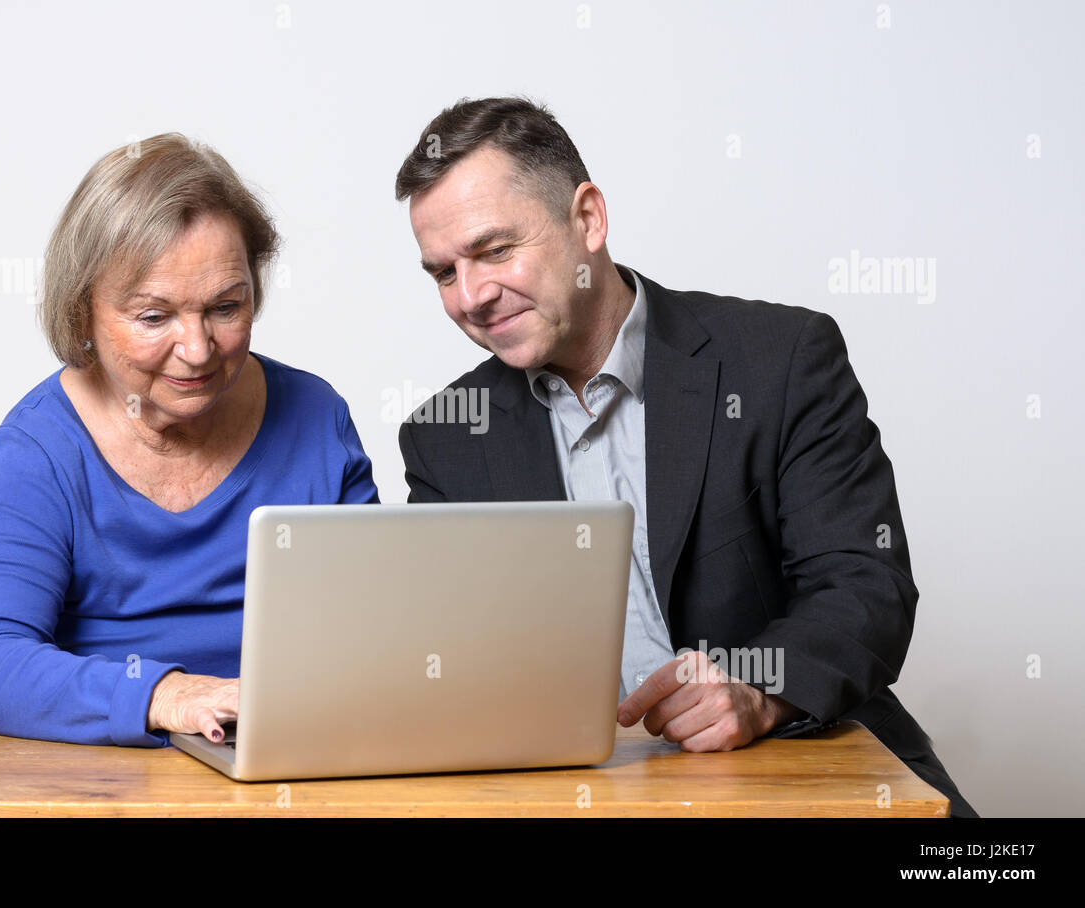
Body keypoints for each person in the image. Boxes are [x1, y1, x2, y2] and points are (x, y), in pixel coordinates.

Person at [393, 97, 976, 816]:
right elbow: (456, 663)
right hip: (584, 796)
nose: (471, 296)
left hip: (804, 771)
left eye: (493, 250)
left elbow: (866, 585)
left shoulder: (781, 361)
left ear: (588, 220)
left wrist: (758, 692)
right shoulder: (446, 436)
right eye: (444, 273)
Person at [0, 133, 378, 749]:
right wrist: (164, 696)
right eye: (154, 317)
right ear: (82, 312)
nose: (198, 350)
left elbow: (374, 631)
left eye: (226, 308)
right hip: (110, 781)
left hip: (288, 759)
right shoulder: (37, 451)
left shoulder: (315, 416)